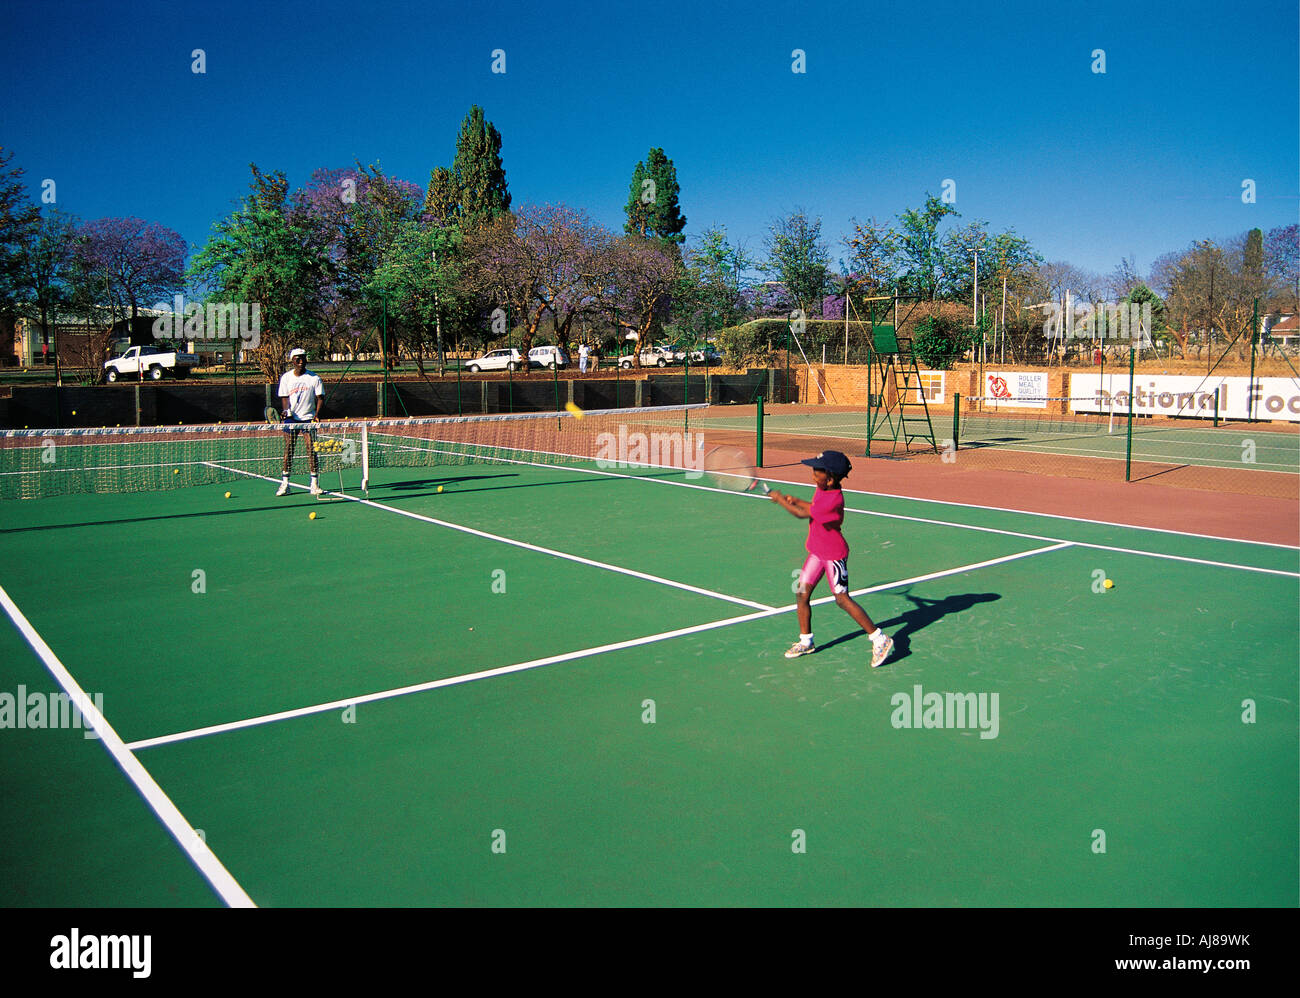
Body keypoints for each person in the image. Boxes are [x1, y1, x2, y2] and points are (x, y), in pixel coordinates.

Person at [769, 450, 894, 667]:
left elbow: (802, 514)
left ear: (830, 476)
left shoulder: (833, 499)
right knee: (801, 593)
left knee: (842, 599)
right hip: (817, 551)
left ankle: (879, 639)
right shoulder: (823, 488)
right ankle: (806, 641)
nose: (812, 474)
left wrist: (780, 499)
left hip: (833, 555)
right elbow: (812, 508)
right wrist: (797, 499)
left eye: (816, 471)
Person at [275, 348, 325, 496]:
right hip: (292, 419)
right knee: (289, 449)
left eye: (303, 358)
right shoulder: (286, 378)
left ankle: (314, 484)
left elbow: (320, 398)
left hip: (308, 418)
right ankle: (285, 484)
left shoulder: (314, 378)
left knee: (311, 450)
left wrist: (316, 415)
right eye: (298, 359)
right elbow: (284, 398)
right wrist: (285, 411)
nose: (301, 361)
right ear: (292, 361)